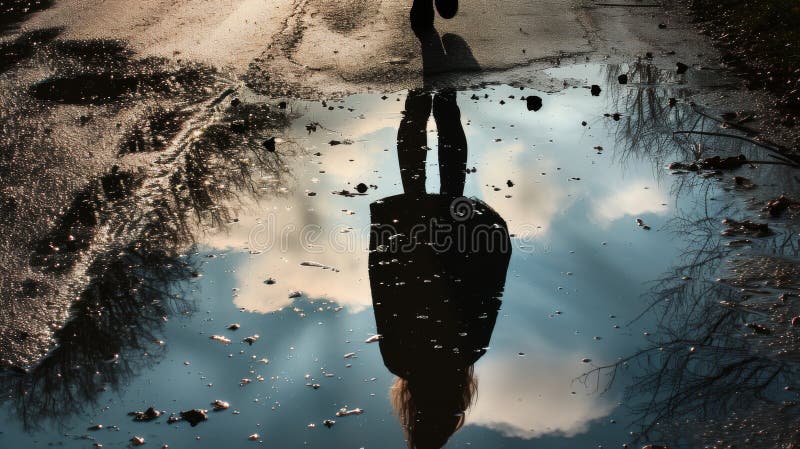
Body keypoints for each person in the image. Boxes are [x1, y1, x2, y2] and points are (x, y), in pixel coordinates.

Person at [367, 83, 511, 449]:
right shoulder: (400, 360)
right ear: (412, 409)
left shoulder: (470, 353)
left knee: (452, 185)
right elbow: (385, 294)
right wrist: (386, 246)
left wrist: (491, 241)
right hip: (412, 252)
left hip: (458, 251)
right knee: (415, 184)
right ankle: (416, 108)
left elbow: (487, 290)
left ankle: (446, 104)